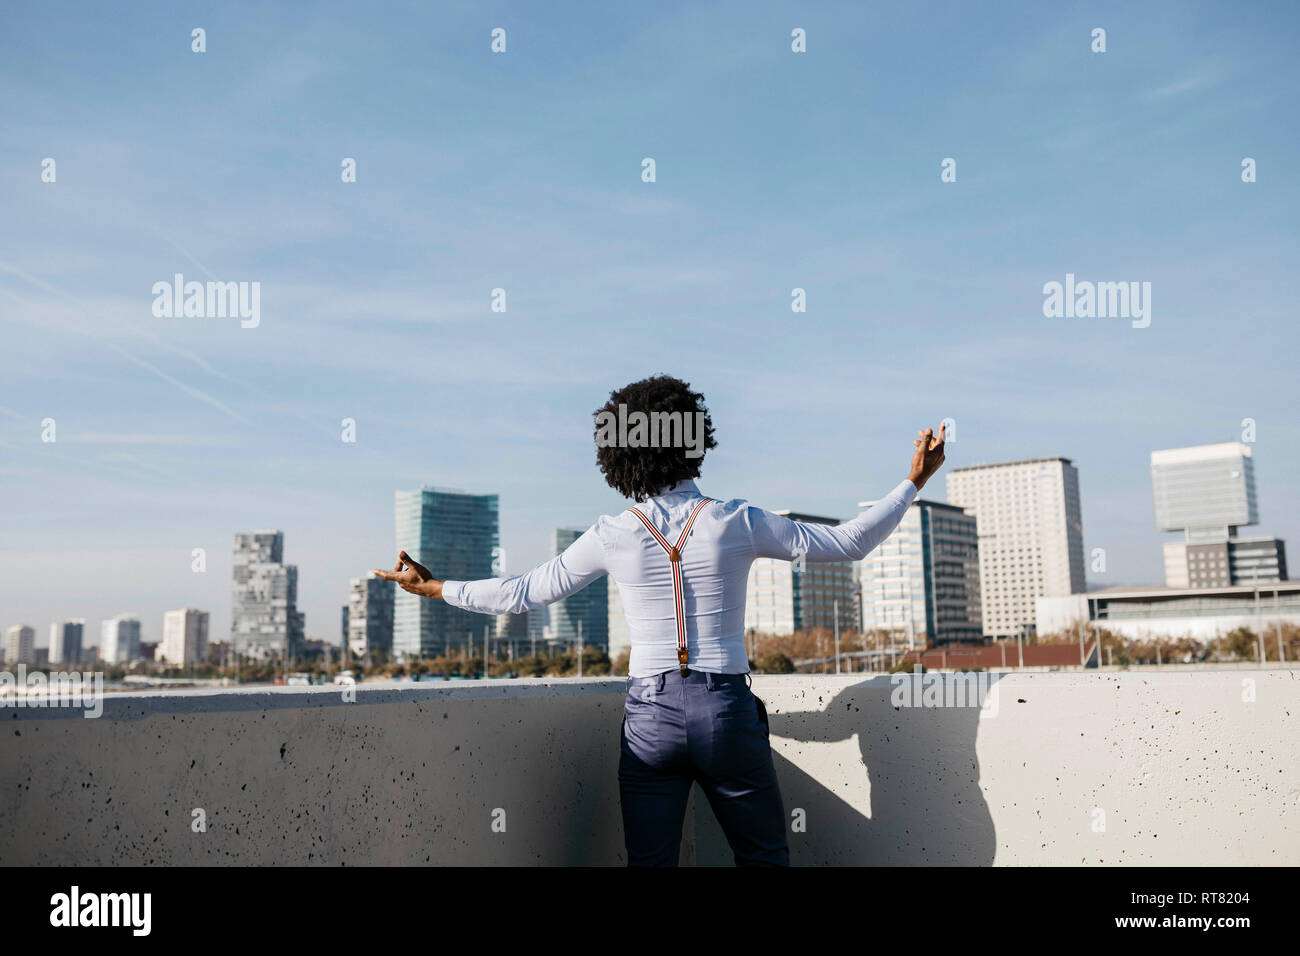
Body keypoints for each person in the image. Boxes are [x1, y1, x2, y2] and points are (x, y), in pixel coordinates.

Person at [373, 374, 947, 866]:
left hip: (649, 718)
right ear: (695, 440)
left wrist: (433, 586)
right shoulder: (736, 521)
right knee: (766, 860)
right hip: (726, 711)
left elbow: (523, 593)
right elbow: (849, 542)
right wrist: (912, 481)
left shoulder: (611, 534)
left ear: (618, 454)